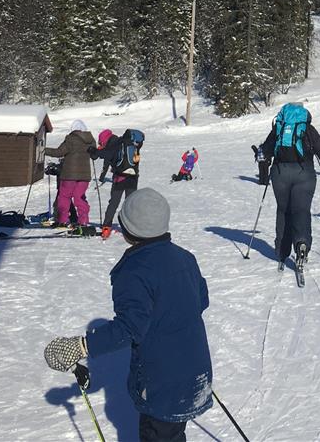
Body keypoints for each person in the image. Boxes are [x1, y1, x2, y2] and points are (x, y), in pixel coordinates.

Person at [43, 188, 212, 441]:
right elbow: (200, 301)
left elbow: (129, 327)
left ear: (128, 229)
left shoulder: (134, 270)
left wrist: (82, 346)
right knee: (172, 433)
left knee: (159, 434)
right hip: (194, 369)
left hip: (162, 381)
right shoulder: (185, 258)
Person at [261, 103, 320, 272]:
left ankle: (282, 251)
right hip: (304, 172)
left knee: (283, 210)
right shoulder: (307, 128)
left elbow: (265, 150)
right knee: (301, 210)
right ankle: (302, 243)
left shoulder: (279, 127)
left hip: (280, 173)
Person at [44, 120, 95, 228]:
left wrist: (43, 150)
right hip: (84, 176)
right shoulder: (91, 140)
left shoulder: (71, 139)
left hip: (69, 175)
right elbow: (94, 155)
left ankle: (62, 220)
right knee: (79, 197)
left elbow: (59, 152)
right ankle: (83, 221)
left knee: (64, 197)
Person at [96, 129, 144, 240]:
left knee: (114, 202)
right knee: (130, 203)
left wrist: (95, 152)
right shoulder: (129, 142)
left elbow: (107, 155)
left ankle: (107, 226)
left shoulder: (114, 144)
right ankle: (132, 228)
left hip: (120, 177)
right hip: (133, 177)